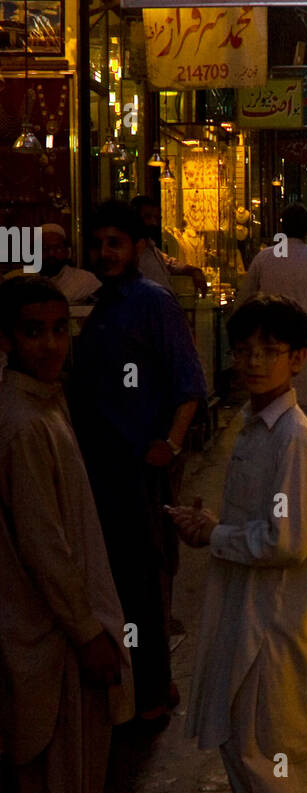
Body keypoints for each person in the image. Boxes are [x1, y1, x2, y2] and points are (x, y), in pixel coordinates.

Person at [170, 295, 307, 793]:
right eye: (244, 349)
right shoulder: (254, 421)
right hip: (248, 609)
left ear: (297, 359)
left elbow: (286, 539)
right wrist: (208, 531)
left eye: (269, 350)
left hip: (270, 624)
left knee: (254, 752)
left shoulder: (292, 438)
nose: (252, 360)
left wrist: (217, 536)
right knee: (274, 753)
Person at [0, 276, 136, 793]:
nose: (51, 343)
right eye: (34, 330)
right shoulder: (23, 423)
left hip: (62, 633)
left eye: (59, 328)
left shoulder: (43, 409)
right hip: (51, 643)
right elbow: (45, 547)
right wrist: (86, 631)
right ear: (8, 341)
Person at [68, 202, 207, 726]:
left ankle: (150, 690)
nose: (105, 253)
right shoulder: (95, 304)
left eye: (116, 244)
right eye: (99, 244)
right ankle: (135, 684)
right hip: (97, 464)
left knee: (143, 581)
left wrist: (169, 446)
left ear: (137, 248)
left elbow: (189, 383)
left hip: (139, 467)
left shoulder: (153, 303)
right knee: (110, 579)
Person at [233, 203, 307, 434]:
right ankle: (303, 459)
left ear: (282, 227)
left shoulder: (266, 257)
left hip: (271, 346)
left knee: (271, 407)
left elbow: (242, 303)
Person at [130, 195, 206, 296]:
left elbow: (170, 263)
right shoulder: (130, 253)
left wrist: (195, 271)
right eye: (147, 217)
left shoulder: (150, 247)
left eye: (156, 218)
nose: (154, 223)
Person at [38, 224, 101, 305]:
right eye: (44, 248)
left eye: (57, 248)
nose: (51, 254)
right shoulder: (24, 279)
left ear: (67, 251)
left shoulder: (86, 279)